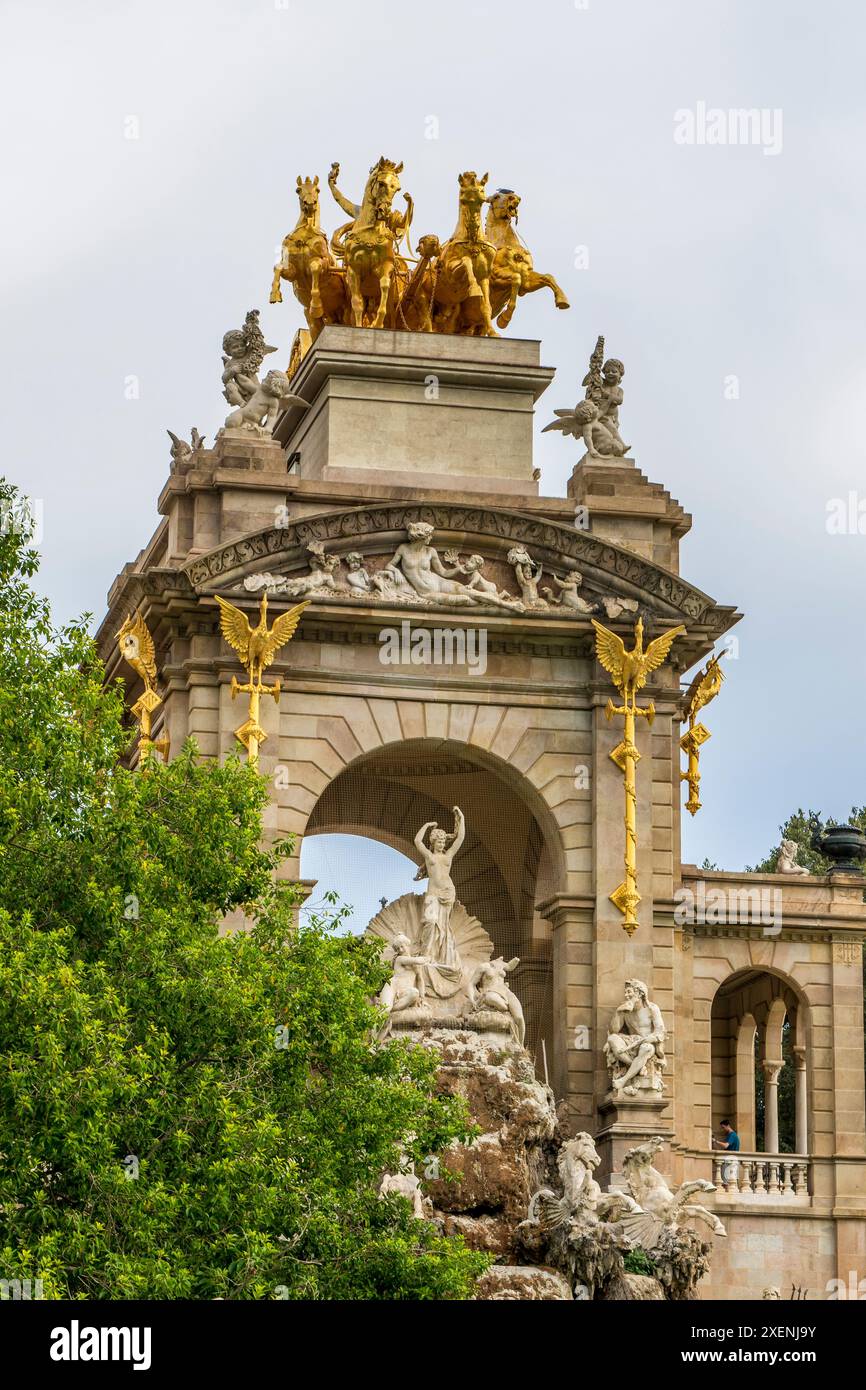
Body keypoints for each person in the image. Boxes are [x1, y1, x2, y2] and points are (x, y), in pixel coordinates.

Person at [712, 1119, 741, 1184]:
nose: (723, 1129)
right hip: (731, 1160)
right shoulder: (731, 1135)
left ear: (728, 1126)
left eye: (723, 1127)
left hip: (730, 1160)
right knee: (731, 1182)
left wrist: (716, 1141)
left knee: (727, 1182)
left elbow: (725, 1146)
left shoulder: (732, 1135)